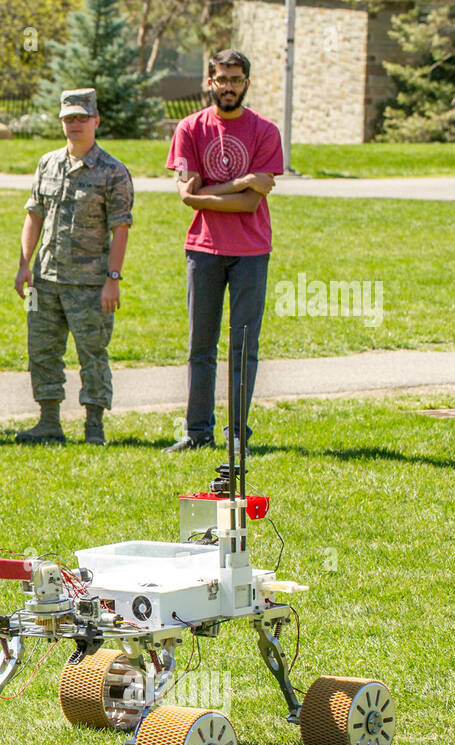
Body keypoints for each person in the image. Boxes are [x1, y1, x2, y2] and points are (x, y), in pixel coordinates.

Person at [163, 49, 282, 453]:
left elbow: (249, 204)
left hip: (250, 250)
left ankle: (236, 436)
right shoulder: (190, 128)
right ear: (209, 82)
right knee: (201, 345)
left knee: (243, 345)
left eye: (236, 79)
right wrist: (244, 180)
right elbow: (188, 196)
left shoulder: (265, 130)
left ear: (246, 83)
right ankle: (197, 432)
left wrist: (212, 193)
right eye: (221, 78)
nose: (228, 86)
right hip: (203, 249)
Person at [13, 89, 133, 445]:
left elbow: (121, 228)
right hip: (45, 280)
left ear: (96, 121)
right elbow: (34, 215)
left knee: (93, 353)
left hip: (90, 282)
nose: (75, 124)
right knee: (42, 350)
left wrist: (113, 279)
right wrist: (24, 265)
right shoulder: (48, 163)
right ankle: (48, 421)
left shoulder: (113, 171)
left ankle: (93, 425)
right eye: (69, 118)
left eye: (82, 117)